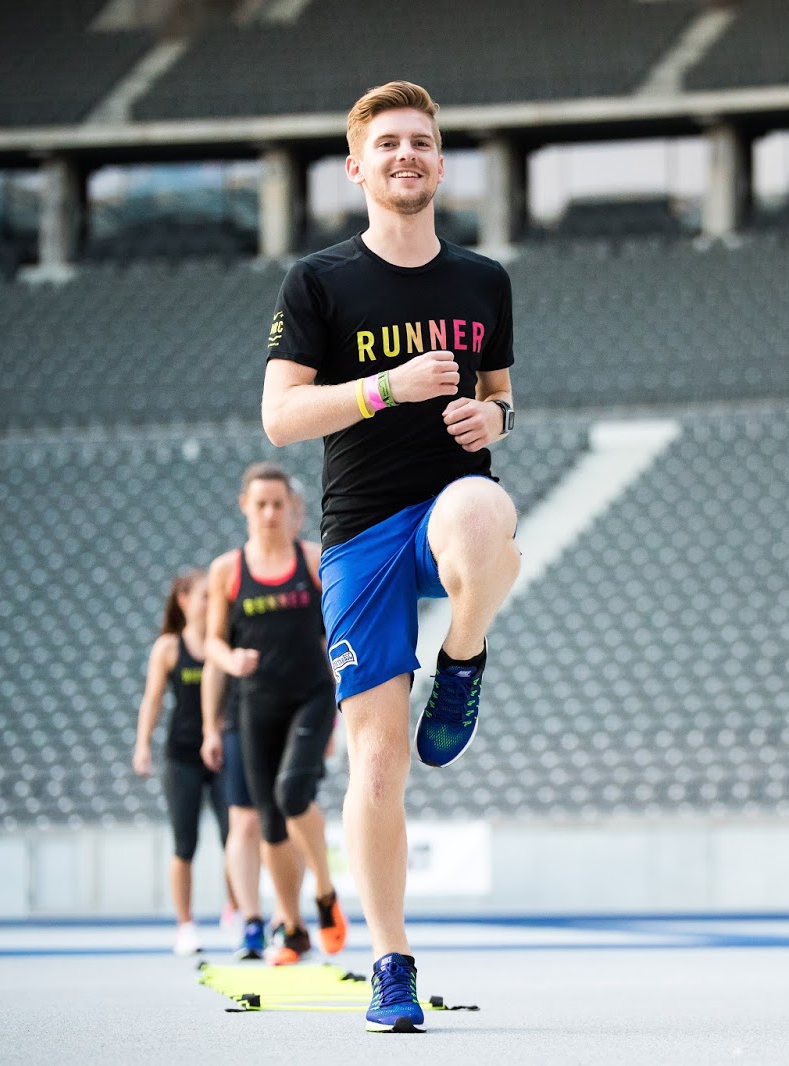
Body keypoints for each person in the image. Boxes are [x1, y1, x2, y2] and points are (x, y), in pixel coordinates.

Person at [261, 80, 520, 1032]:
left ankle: (462, 662)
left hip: (448, 508)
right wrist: (386, 388)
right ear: (357, 168)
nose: (406, 155)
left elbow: (502, 398)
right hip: (363, 531)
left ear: (441, 164)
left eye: (422, 141)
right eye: (389, 144)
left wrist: (491, 414)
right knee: (375, 762)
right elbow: (280, 416)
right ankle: (390, 958)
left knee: (487, 514)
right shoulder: (320, 282)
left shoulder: (483, 281)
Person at [202, 462, 347, 966]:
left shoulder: (311, 560)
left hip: (310, 697)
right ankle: (293, 930)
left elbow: (336, 633)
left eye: (278, 504)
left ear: (293, 510)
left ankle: (326, 894)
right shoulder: (228, 570)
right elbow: (213, 641)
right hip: (255, 704)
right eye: (260, 504)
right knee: (269, 824)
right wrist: (229, 660)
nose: (269, 513)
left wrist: (340, 710)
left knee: (292, 795)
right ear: (245, 506)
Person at [132, 570, 234, 955]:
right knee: (184, 843)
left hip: (224, 753)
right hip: (182, 755)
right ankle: (185, 925)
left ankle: (236, 911)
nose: (212, 601)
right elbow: (153, 699)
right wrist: (142, 745)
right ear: (184, 601)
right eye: (205, 595)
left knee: (234, 835)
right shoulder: (169, 648)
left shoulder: (222, 643)